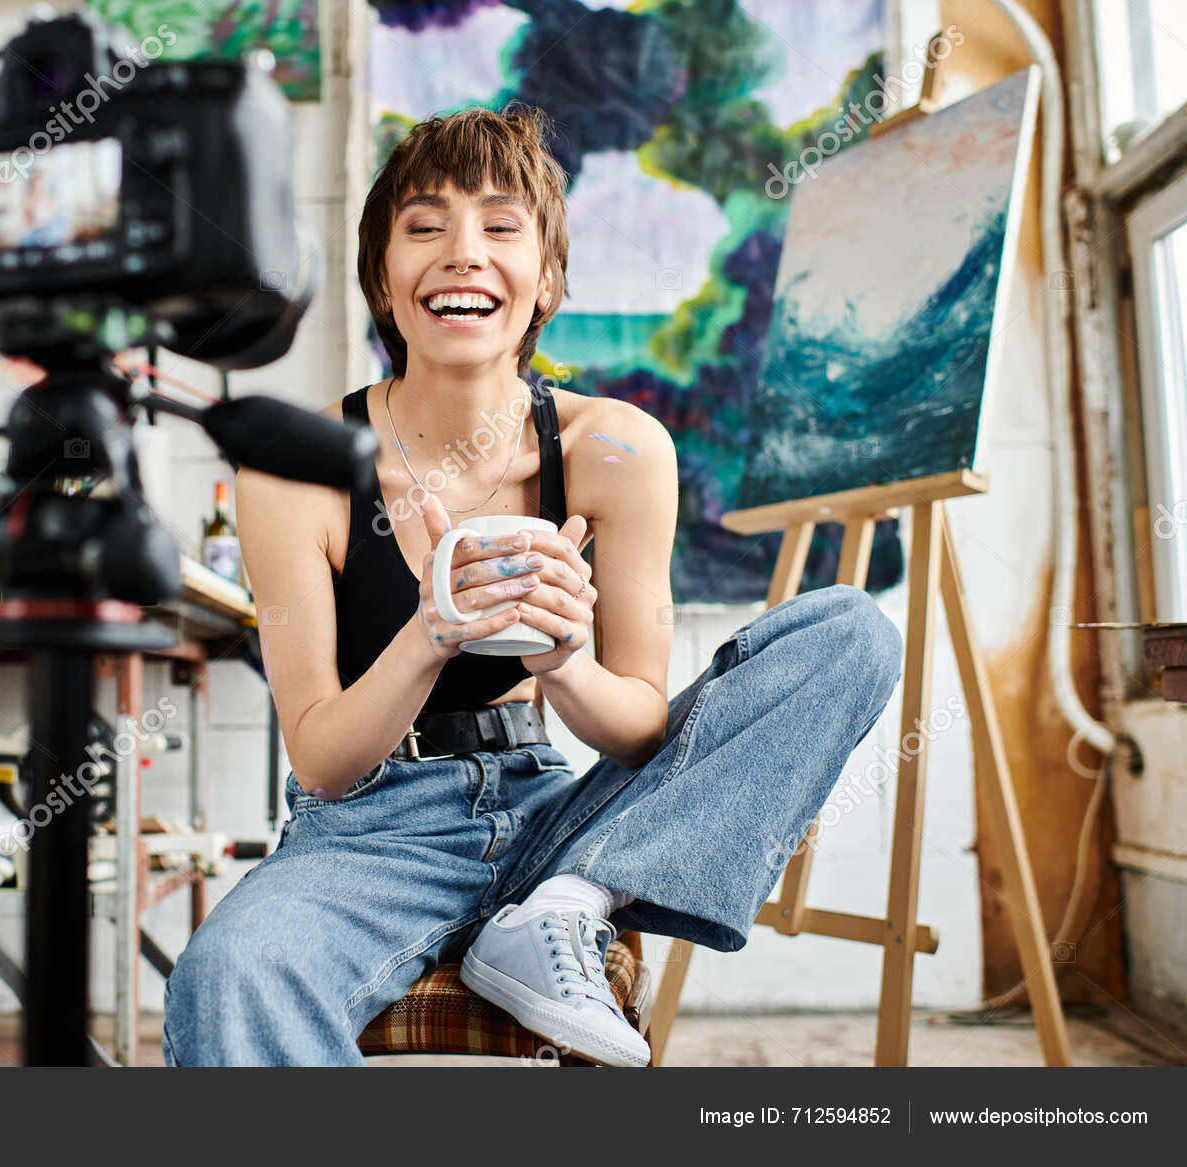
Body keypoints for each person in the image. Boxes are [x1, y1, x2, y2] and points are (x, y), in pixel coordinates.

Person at [162, 105, 904, 1066]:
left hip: (558, 819)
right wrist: (432, 628)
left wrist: (566, 663)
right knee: (229, 973)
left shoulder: (618, 447)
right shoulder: (295, 466)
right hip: (369, 831)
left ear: (546, 277)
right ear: (383, 283)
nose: (463, 253)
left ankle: (569, 906)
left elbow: (639, 725)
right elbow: (321, 760)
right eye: (425, 228)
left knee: (850, 631)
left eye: (502, 226)